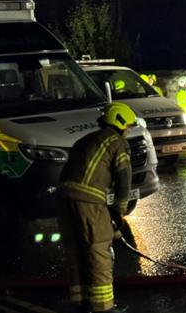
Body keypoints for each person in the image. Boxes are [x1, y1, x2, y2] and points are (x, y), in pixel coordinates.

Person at [57, 102, 136, 313]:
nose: (128, 130)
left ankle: (80, 302)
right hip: (88, 201)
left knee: (76, 251)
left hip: (64, 199)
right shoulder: (117, 142)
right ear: (120, 123)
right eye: (128, 126)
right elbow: (123, 177)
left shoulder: (85, 140)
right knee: (98, 250)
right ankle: (104, 307)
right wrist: (119, 210)